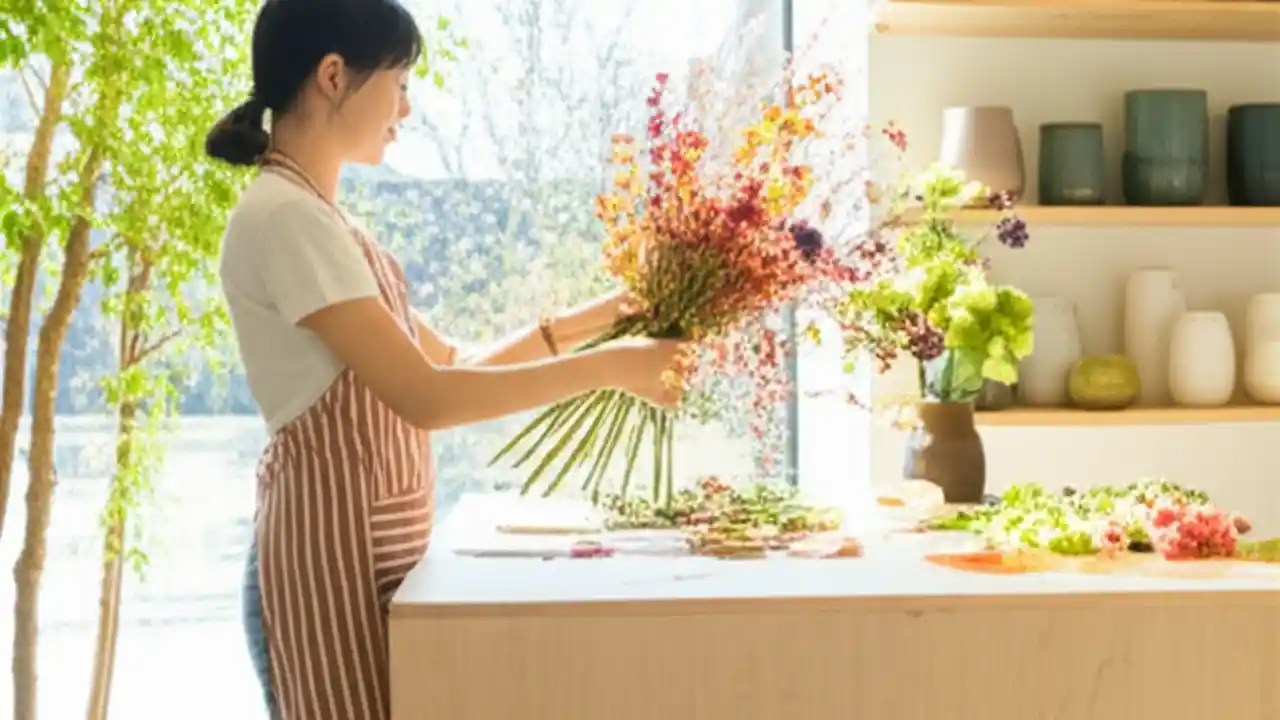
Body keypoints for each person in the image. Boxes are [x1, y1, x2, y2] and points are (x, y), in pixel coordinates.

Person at [205, 1, 682, 718]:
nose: (406, 107)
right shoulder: (285, 219)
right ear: (333, 75)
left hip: (359, 554)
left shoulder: (325, 222)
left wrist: (610, 317)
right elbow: (427, 397)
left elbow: (456, 362)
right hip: (324, 565)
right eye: (398, 81)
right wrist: (616, 369)